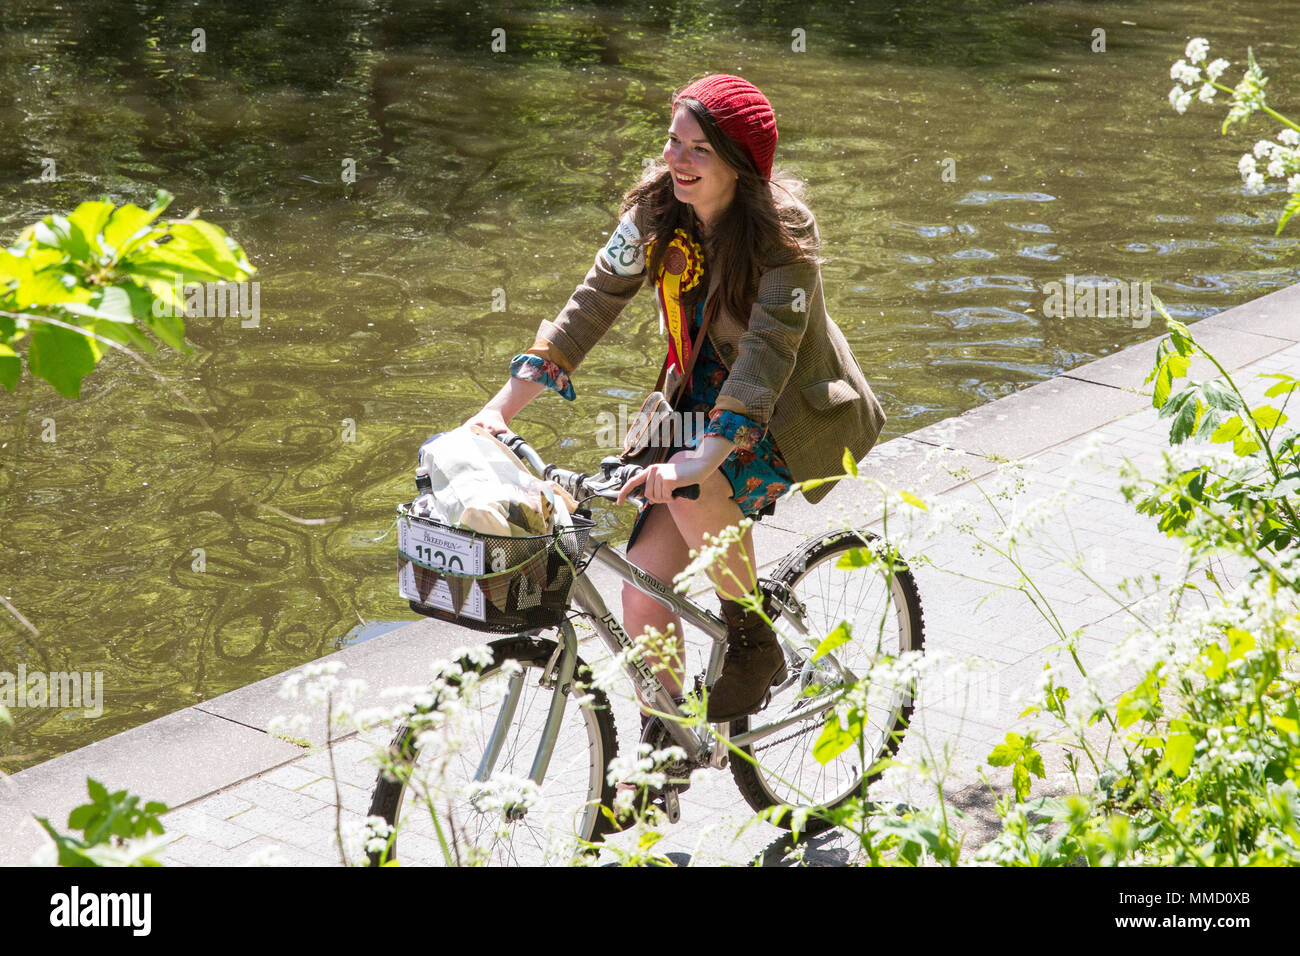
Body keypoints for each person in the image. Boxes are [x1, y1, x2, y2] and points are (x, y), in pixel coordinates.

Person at [466, 74, 886, 725]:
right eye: (673, 141)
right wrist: (499, 410)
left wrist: (700, 459)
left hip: (781, 406)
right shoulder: (656, 212)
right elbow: (591, 303)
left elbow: (765, 357)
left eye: (699, 150)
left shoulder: (782, 231)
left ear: (739, 166)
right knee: (641, 591)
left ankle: (753, 643)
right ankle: (667, 747)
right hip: (694, 398)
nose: (677, 161)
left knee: (693, 486)